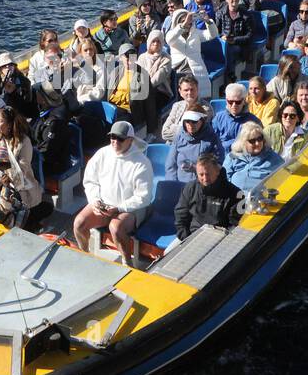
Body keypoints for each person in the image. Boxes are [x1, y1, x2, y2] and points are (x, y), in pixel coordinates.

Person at [73, 120, 154, 264]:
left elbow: (144, 197)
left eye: (120, 138)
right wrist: (95, 200)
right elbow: (90, 181)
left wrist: (119, 208)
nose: (115, 141)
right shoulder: (102, 153)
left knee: (115, 228)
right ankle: (84, 256)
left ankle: (127, 262)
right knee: (79, 223)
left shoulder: (142, 163)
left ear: (130, 140)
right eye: (112, 137)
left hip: (131, 210)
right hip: (103, 204)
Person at [0, 105, 53, 231]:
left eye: (0, 121)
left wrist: (4, 174)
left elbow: (22, 169)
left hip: (21, 184)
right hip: (0, 179)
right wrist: (0, 175)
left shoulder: (24, 142)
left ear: (9, 124)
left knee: (18, 205)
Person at [173, 153, 243, 242]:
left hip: (219, 239)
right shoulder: (190, 188)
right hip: (191, 236)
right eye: (201, 175)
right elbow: (180, 216)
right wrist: (186, 238)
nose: (205, 178)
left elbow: (235, 225)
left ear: (217, 171)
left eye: (208, 174)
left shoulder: (236, 194)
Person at [164, 7, 218, 92]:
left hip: (195, 68)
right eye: (183, 21)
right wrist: (183, 25)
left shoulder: (195, 33)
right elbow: (169, 40)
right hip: (178, 68)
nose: (188, 23)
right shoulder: (172, 34)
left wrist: (208, 21)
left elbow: (213, 35)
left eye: (189, 21)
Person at [166, 109, 223, 182]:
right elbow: (171, 165)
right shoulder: (179, 137)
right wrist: (172, 183)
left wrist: (196, 169)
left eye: (194, 121)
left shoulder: (212, 137)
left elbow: (217, 164)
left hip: (205, 182)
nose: (190, 124)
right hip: (181, 182)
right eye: (187, 121)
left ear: (202, 121)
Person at [224, 122, 283, 191]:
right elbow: (224, 180)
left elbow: (283, 182)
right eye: (252, 141)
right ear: (243, 142)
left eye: (260, 138)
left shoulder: (274, 159)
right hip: (234, 198)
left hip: (259, 199)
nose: (257, 143)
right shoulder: (233, 157)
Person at [161, 74, 214, 142]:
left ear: (197, 89)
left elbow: (195, 134)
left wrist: (174, 127)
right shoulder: (177, 106)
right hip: (172, 146)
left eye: (192, 89)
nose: (189, 93)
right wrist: (184, 129)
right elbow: (164, 133)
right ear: (180, 92)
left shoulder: (205, 108)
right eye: (186, 90)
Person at [216, 0, 253, 83]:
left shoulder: (246, 15)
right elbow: (216, 32)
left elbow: (249, 35)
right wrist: (222, 37)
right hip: (224, 43)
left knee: (230, 50)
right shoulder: (221, 13)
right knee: (225, 48)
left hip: (240, 46)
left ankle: (229, 77)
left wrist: (235, 40)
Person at [212, 82, 260, 151]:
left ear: (244, 101)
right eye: (230, 102)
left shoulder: (253, 122)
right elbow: (211, 140)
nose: (234, 105)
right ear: (226, 100)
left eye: (238, 102)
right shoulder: (218, 118)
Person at [0, 52, 37, 121]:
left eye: (10, 64)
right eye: (4, 66)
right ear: (0, 69)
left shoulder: (24, 81)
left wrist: (13, 92)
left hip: (22, 115)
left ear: (14, 66)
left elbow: (27, 103)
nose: (7, 67)